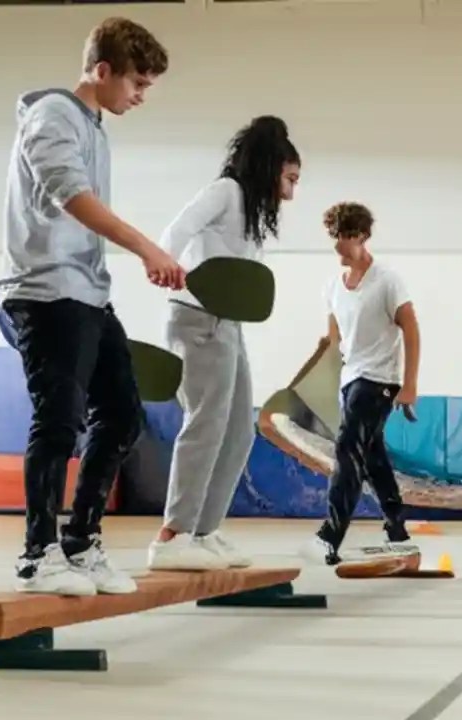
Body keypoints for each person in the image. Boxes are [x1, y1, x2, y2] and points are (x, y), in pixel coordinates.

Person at [0, 18, 183, 596]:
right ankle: (37, 554)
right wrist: (147, 246)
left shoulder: (96, 129)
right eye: (137, 84)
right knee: (57, 422)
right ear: (101, 71)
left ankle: (79, 542)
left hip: (87, 294)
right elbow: (69, 196)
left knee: (122, 416)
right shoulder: (53, 115)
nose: (141, 97)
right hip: (47, 293)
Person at [146, 116, 302, 571]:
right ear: (270, 166)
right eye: (289, 179)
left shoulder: (250, 210)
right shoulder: (227, 191)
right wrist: (164, 263)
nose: (291, 193)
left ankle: (204, 531)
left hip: (229, 325)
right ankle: (172, 535)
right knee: (206, 424)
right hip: (198, 319)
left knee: (238, 432)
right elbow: (175, 230)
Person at [300, 202, 421, 566]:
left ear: (363, 237)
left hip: (380, 381)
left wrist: (410, 385)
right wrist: (306, 378)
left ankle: (330, 535)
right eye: (334, 236)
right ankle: (397, 528)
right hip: (350, 380)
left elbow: (412, 331)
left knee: (347, 449)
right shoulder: (332, 288)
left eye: (346, 236)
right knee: (372, 457)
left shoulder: (387, 281)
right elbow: (333, 342)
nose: (338, 244)